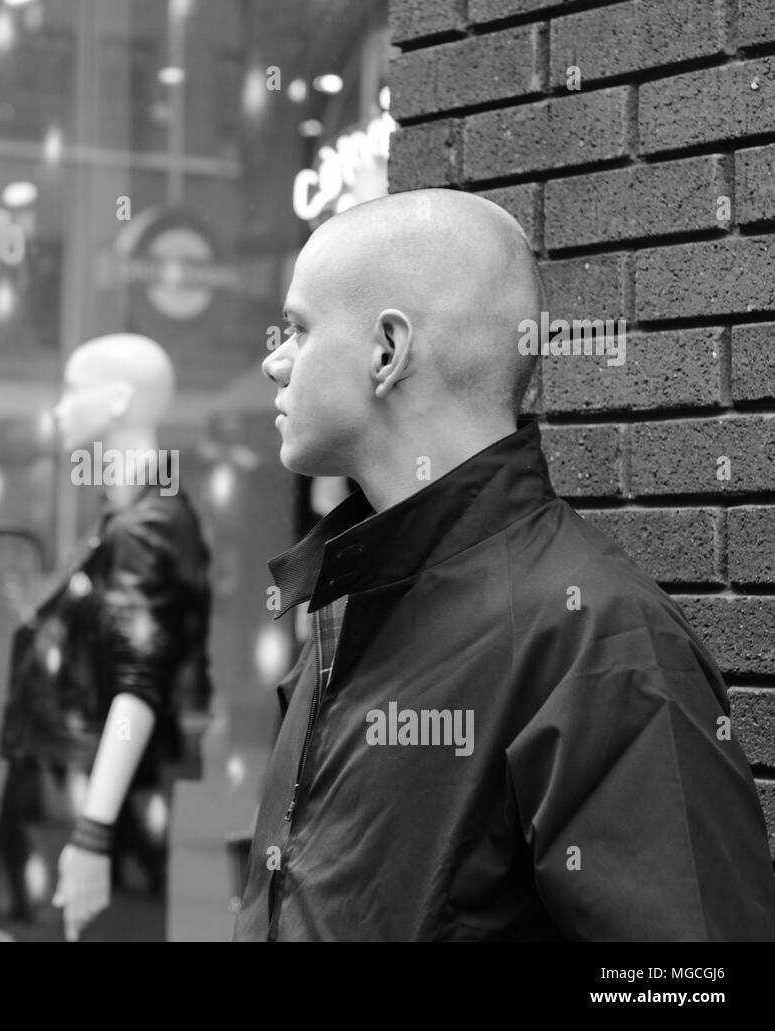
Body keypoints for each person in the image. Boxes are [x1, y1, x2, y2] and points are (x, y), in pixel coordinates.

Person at [236, 188, 775, 941]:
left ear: (386, 351)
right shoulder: (352, 596)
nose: (274, 361)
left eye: (298, 329)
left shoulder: (603, 643)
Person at [0, 333, 212, 942]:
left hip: (83, 809)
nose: (59, 409)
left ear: (116, 401)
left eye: (71, 391)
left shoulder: (147, 525)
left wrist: (91, 837)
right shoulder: (123, 518)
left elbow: (139, 686)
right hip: (63, 798)